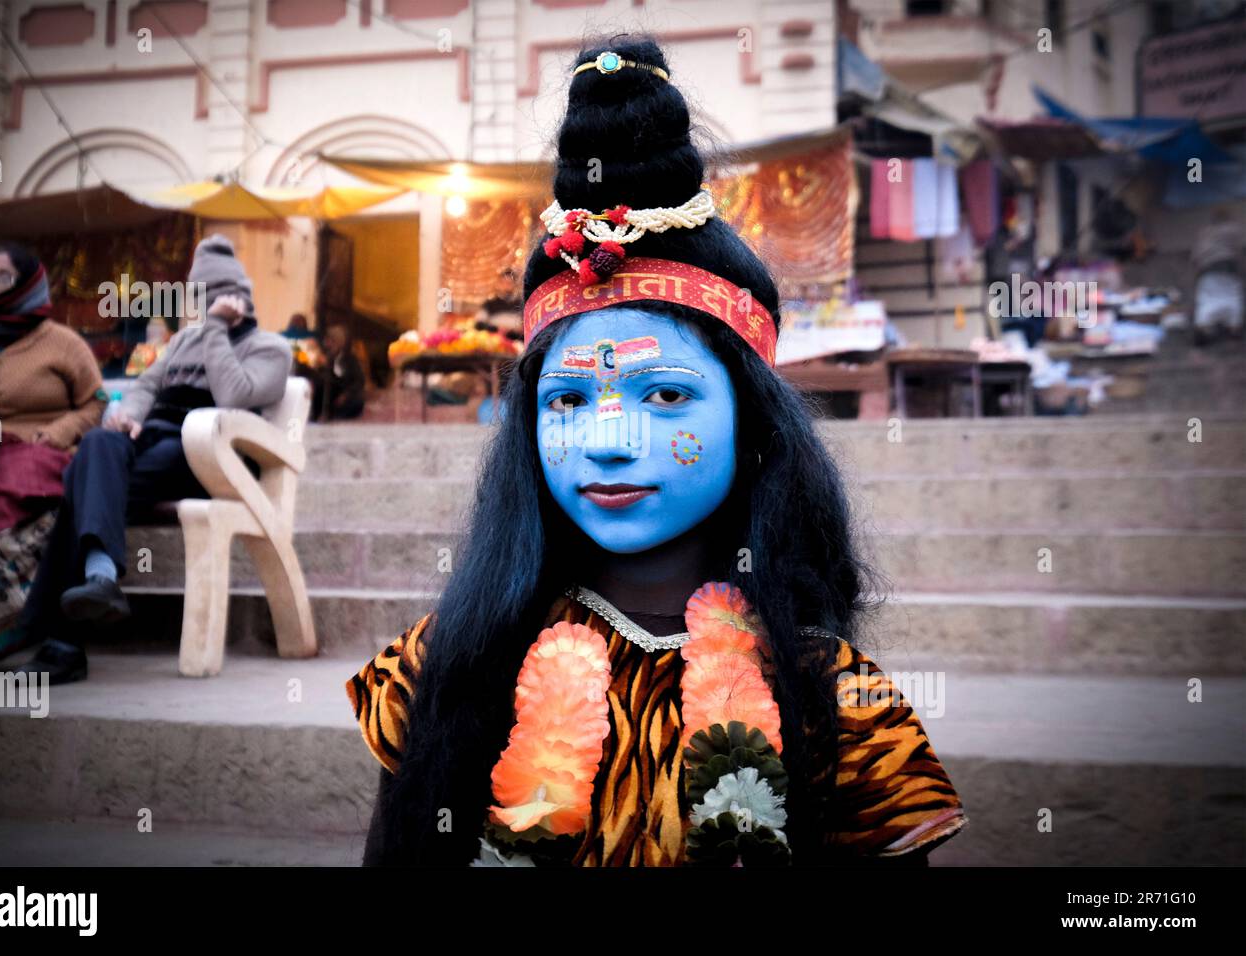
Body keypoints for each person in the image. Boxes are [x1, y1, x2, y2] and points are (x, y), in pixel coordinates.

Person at [345, 37, 967, 867]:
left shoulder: (844, 708)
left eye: (666, 394)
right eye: (565, 400)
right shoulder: (443, 670)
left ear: (753, 421)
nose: (607, 440)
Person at [16, 234, 293, 684]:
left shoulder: (270, 348)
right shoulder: (182, 343)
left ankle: (57, 639)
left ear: (241, 298)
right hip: (157, 442)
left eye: (219, 295)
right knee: (96, 448)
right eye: (201, 295)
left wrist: (218, 331)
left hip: (211, 458)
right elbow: (146, 385)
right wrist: (128, 415)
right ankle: (100, 575)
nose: (208, 304)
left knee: (81, 485)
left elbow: (233, 396)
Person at [0, 245, 104, 666]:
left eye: (4, 277)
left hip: (40, 451)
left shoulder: (64, 344)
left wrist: (56, 433)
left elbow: (96, 403)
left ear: (30, 285)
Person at [1191, 208, 1243, 344]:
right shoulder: (1234, 229)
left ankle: (1204, 325)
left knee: (1207, 298)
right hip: (1228, 267)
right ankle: (1233, 326)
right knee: (1232, 296)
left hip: (1207, 269)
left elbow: (1195, 257)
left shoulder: (1205, 233)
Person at [310, 322, 365, 421]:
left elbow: (359, 381)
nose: (326, 344)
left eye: (329, 341)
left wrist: (346, 395)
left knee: (356, 404)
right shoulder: (324, 358)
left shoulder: (349, 359)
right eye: (326, 340)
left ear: (337, 342)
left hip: (345, 396)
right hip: (329, 396)